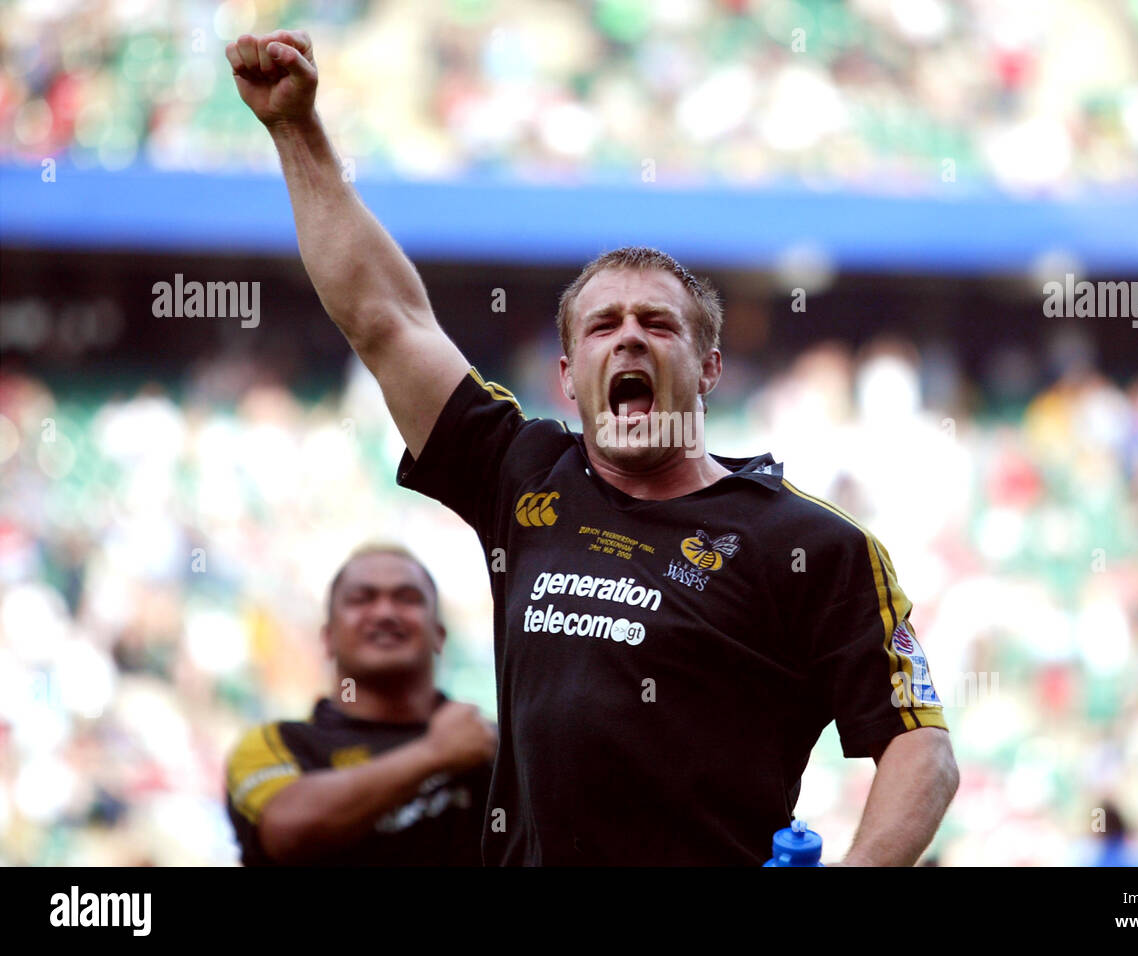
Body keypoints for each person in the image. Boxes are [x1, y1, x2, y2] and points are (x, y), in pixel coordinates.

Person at [227, 30, 959, 865]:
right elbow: (386, 319)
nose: (631, 341)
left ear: (710, 366)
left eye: (659, 324)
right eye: (604, 326)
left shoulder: (811, 544)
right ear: (570, 376)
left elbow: (920, 748)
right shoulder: (522, 470)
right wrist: (297, 131)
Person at [225, 545, 497, 865]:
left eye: (407, 598)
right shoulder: (274, 744)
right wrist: (434, 753)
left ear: (439, 635)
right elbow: (286, 830)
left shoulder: (493, 746)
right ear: (327, 638)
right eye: (361, 599)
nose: (384, 613)